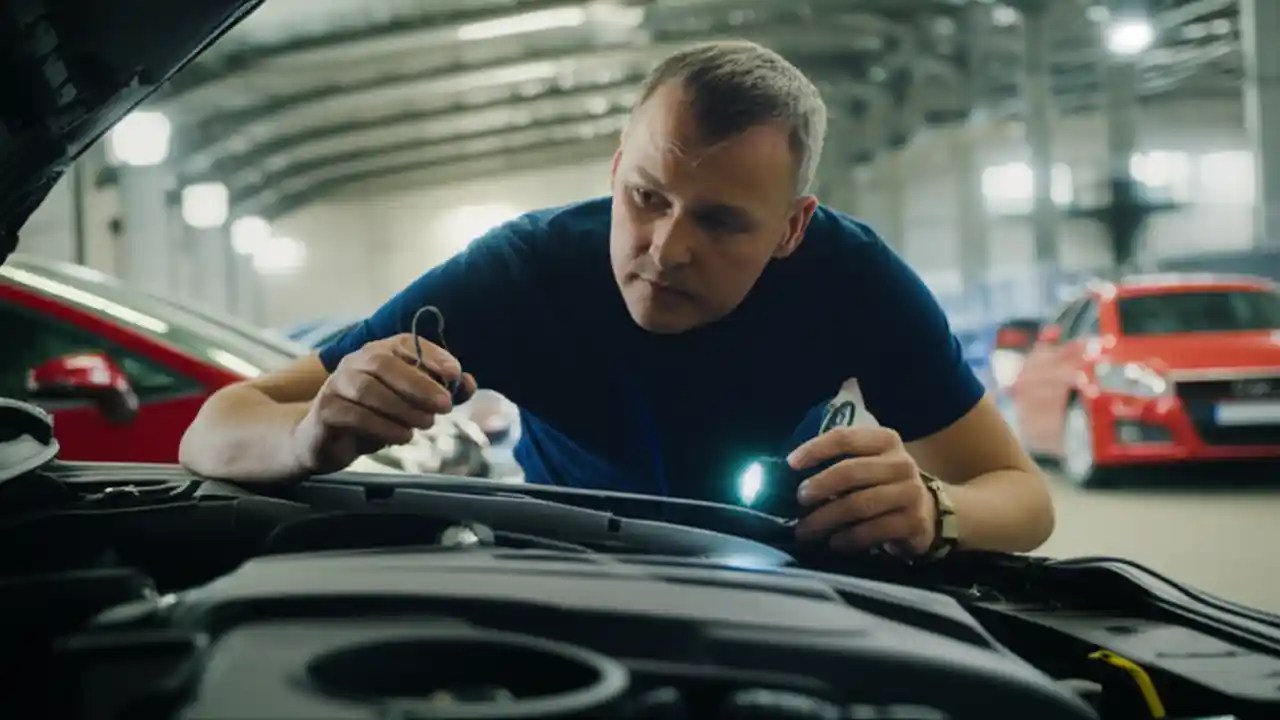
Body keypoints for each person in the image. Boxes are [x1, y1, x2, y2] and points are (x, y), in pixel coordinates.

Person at [181, 41, 1054, 559]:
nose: (666, 249)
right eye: (646, 197)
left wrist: (935, 510)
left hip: (780, 572)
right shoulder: (523, 271)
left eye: (720, 221)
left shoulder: (853, 280)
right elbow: (214, 427)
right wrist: (308, 434)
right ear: (614, 171)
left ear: (793, 228)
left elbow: (1022, 497)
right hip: (569, 568)